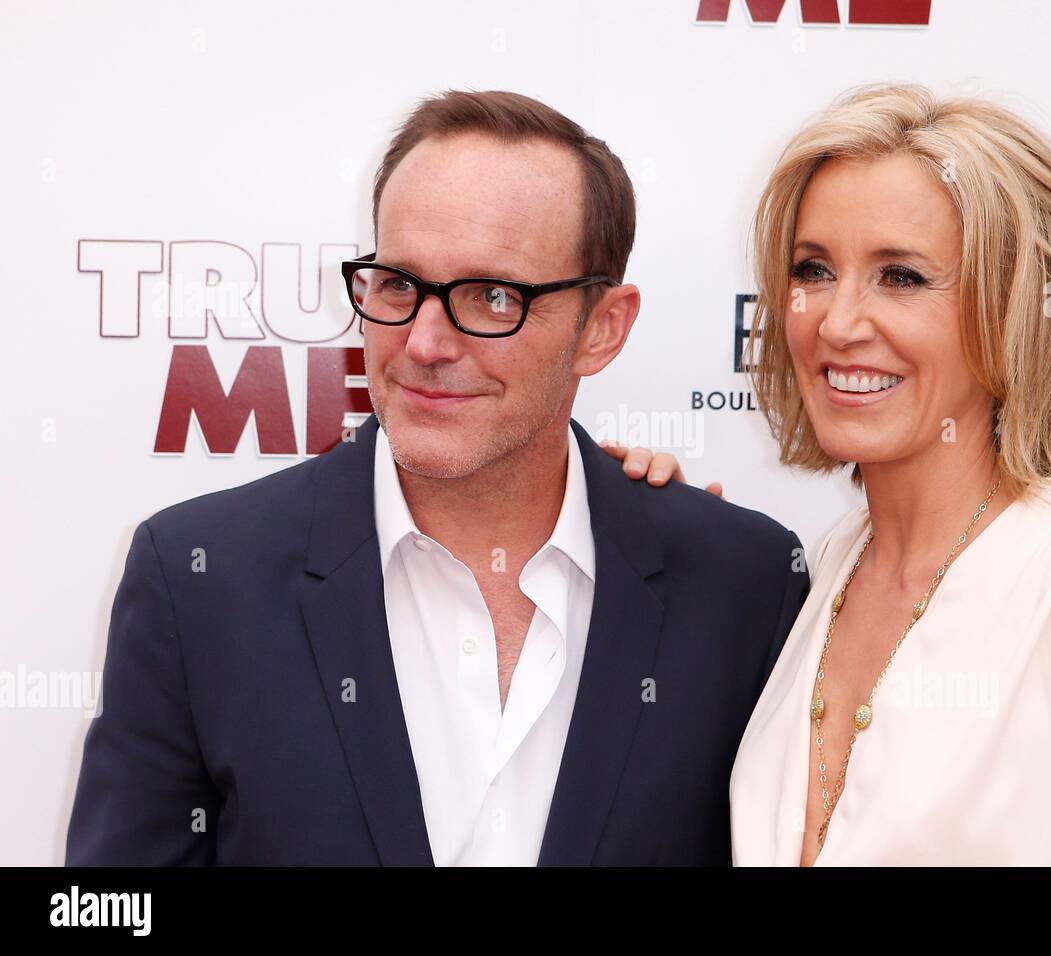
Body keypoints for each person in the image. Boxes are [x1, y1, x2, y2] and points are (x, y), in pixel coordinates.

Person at [66, 90, 809, 866]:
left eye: (492, 297)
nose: (423, 343)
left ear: (601, 329)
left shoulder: (743, 586)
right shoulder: (198, 577)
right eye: (397, 285)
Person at [615, 83, 1051, 865]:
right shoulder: (828, 567)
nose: (838, 323)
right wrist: (621, 514)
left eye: (900, 276)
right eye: (813, 269)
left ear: (1015, 307)